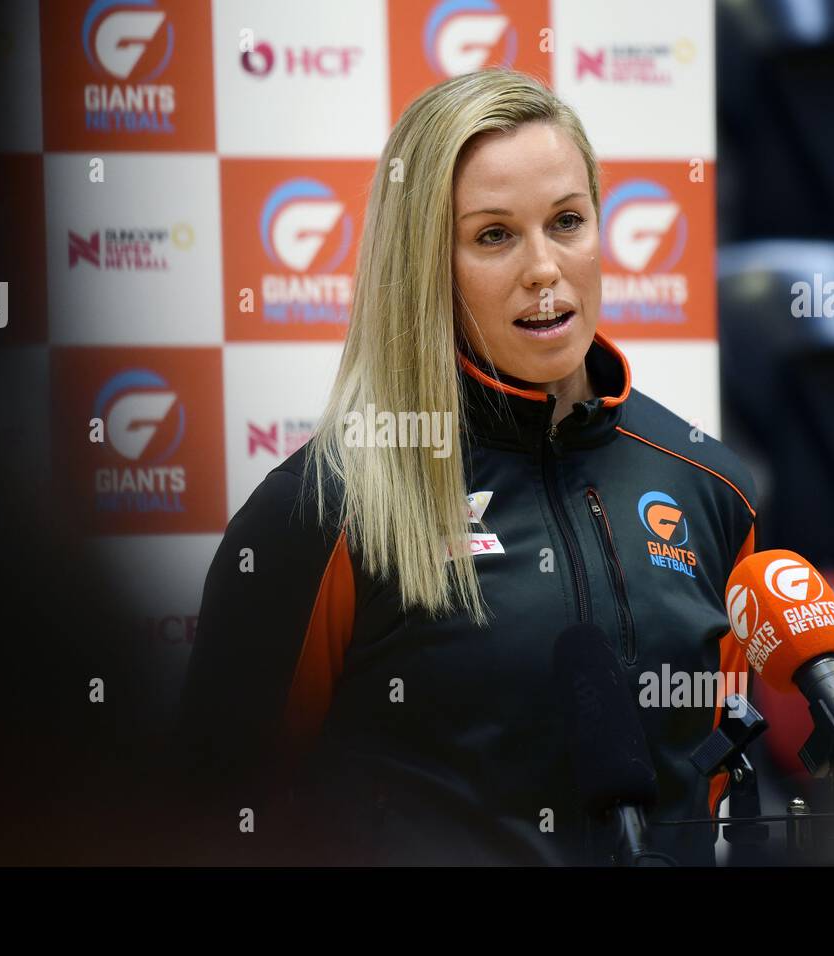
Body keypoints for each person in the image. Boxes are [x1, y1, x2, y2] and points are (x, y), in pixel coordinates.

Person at [177, 68, 758, 866]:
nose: (544, 267)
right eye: (494, 235)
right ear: (425, 266)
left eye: (567, 221)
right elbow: (207, 817)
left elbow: (715, 779)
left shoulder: (710, 488)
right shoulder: (326, 508)